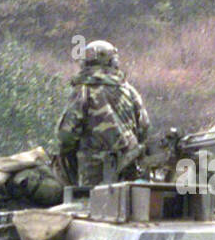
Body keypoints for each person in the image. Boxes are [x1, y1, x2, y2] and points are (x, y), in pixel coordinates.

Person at [56, 40, 150, 188]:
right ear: (113, 61)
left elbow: (66, 136)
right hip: (128, 170)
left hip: (93, 173)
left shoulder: (83, 91)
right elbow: (144, 128)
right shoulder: (130, 91)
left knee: (91, 208)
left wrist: (69, 161)